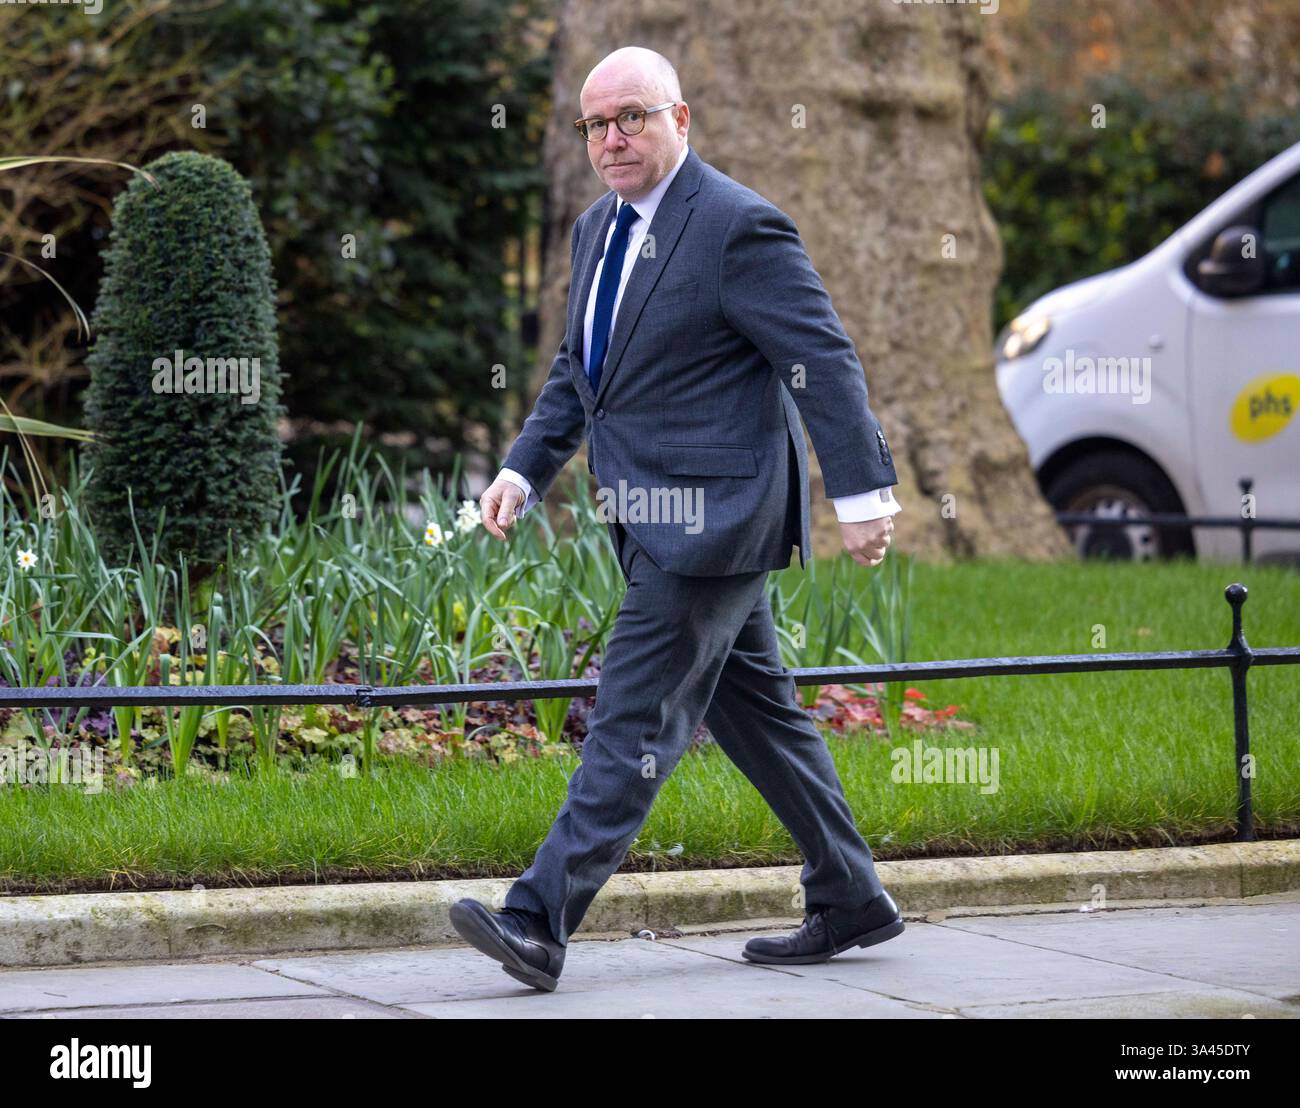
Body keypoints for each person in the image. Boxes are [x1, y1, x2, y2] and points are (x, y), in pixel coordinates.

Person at [450, 45, 904, 992]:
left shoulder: (737, 225)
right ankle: (852, 894)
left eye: (632, 118)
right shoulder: (595, 230)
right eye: (595, 124)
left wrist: (861, 495)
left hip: (714, 520)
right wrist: (521, 472)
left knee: (633, 712)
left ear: (681, 119)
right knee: (758, 715)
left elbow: (821, 356)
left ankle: (538, 921)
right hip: (650, 511)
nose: (611, 139)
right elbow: (582, 372)